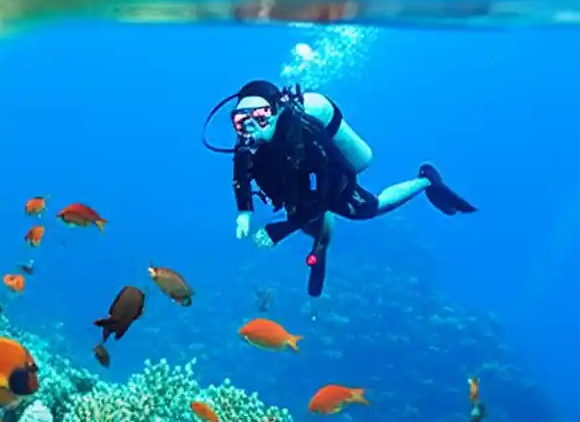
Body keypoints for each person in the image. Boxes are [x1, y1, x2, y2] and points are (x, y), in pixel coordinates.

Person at [202, 80, 476, 297]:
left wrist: (282, 229)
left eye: (259, 116)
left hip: (333, 180)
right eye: (240, 120)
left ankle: (427, 180)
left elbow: (326, 189)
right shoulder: (247, 143)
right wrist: (244, 212)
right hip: (297, 187)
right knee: (309, 221)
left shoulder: (306, 135)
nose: (250, 127)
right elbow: (240, 173)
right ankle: (319, 243)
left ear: (276, 112)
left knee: (369, 209)